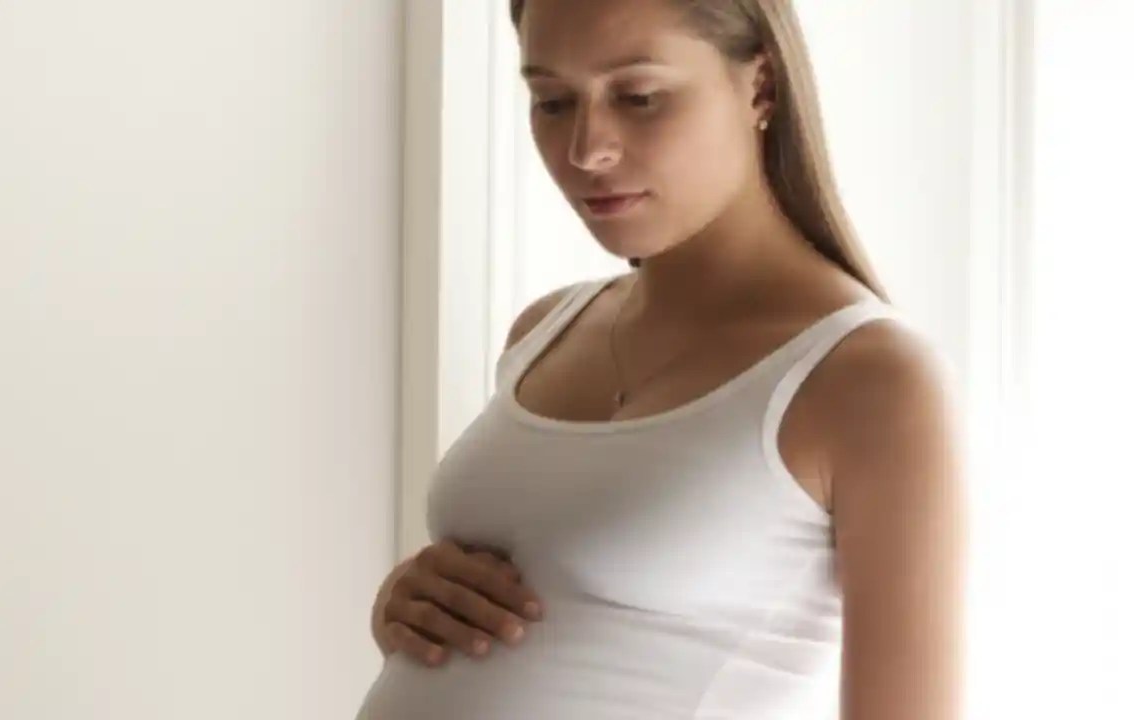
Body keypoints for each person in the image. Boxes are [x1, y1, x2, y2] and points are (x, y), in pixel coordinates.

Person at [357, 0, 967, 717]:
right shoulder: (545, 331)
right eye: (552, 102)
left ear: (760, 87)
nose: (587, 149)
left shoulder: (867, 380)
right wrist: (403, 611)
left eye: (639, 97)